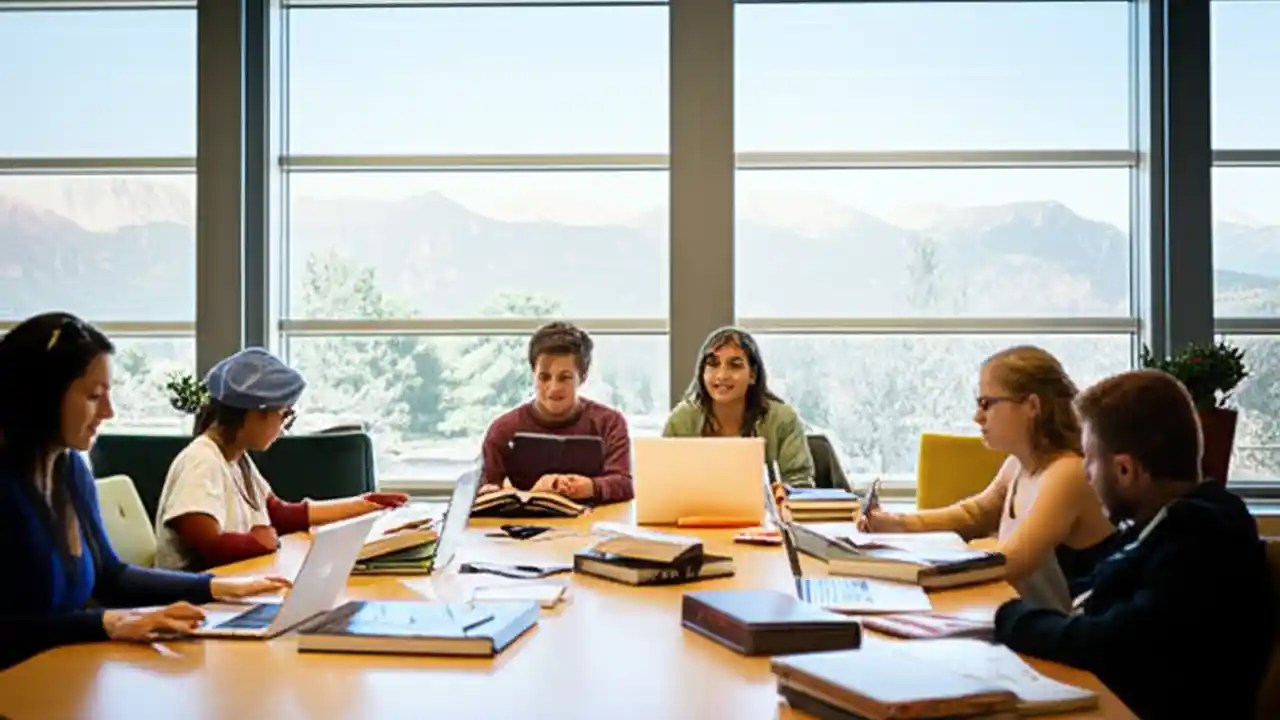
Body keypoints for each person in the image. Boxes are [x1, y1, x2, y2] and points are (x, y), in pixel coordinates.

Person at [0, 312, 291, 670]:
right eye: (94, 396)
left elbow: (111, 577)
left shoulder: (70, 469)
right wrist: (108, 623)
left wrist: (218, 588)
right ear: (42, 395)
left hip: (64, 674)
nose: (108, 412)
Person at [994, 369, 1275, 719]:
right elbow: (1100, 588)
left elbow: (1112, 642)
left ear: (1125, 470)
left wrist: (1007, 618)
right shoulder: (1167, 522)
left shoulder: (1200, 539)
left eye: (1089, 459)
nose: (1085, 474)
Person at [857, 346, 1117, 611]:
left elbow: (1010, 563)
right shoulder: (1017, 466)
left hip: (1075, 636)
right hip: (1035, 622)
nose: (977, 416)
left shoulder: (1067, 473)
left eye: (987, 404)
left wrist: (904, 573)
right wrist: (895, 523)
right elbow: (973, 516)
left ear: (1032, 406)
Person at [154, 347, 408, 571]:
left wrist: (364, 504)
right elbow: (209, 545)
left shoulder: (236, 459)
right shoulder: (201, 461)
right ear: (255, 413)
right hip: (193, 603)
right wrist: (257, 542)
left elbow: (278, 514)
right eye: (284, 415)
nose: (283, 427)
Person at [478, 322, 633, 504]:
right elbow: (488, 485)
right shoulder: (503, 430)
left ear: (582, 377)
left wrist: (589, 486)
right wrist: (492, 492)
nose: (553, 388)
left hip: (593, 527)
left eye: (564, 378)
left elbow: (625, 484)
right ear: (533, 374)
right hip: (521, 526)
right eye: (544, 377)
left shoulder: (609, 423)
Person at [663, 327, 815, 489]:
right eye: (713, 364)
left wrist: (780, 494)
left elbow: (801, 483)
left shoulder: (782, 418)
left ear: (752, 375)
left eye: (735, 365)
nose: (721, 375)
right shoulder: (682, 419)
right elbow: (662, 479)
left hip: (767, 513)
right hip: (696, 513)